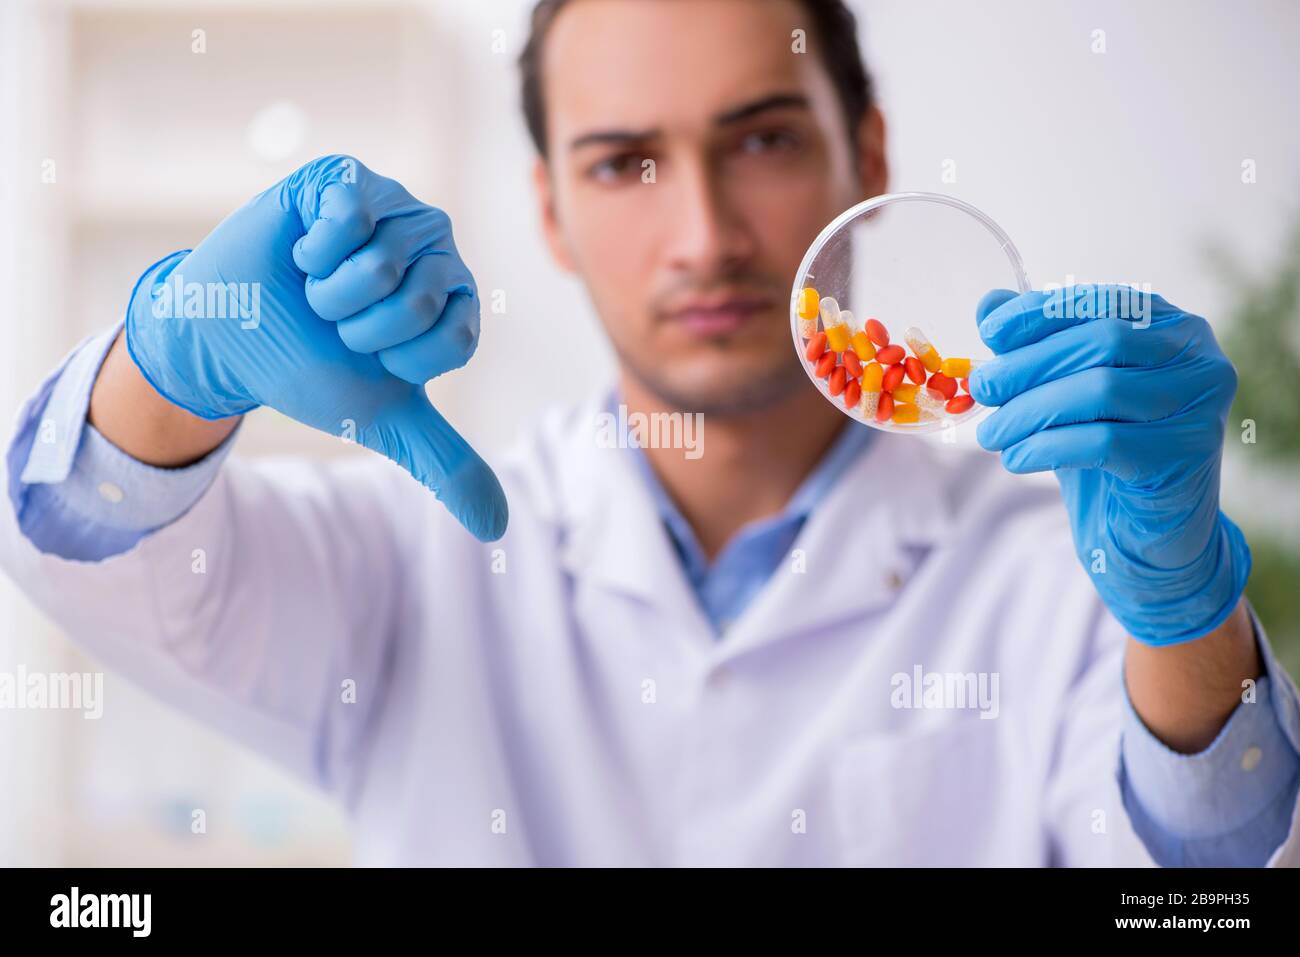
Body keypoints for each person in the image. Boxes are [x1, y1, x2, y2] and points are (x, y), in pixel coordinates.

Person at [3, 0, 1298, 866]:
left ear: (872, 155)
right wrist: (178, 353)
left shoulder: (1061, 562)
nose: (706, 236)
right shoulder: (411, 555)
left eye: (766, 138)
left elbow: (1204, 885)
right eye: (626, 161)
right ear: (550, 212)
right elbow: (80, 553)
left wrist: (1183, 605)